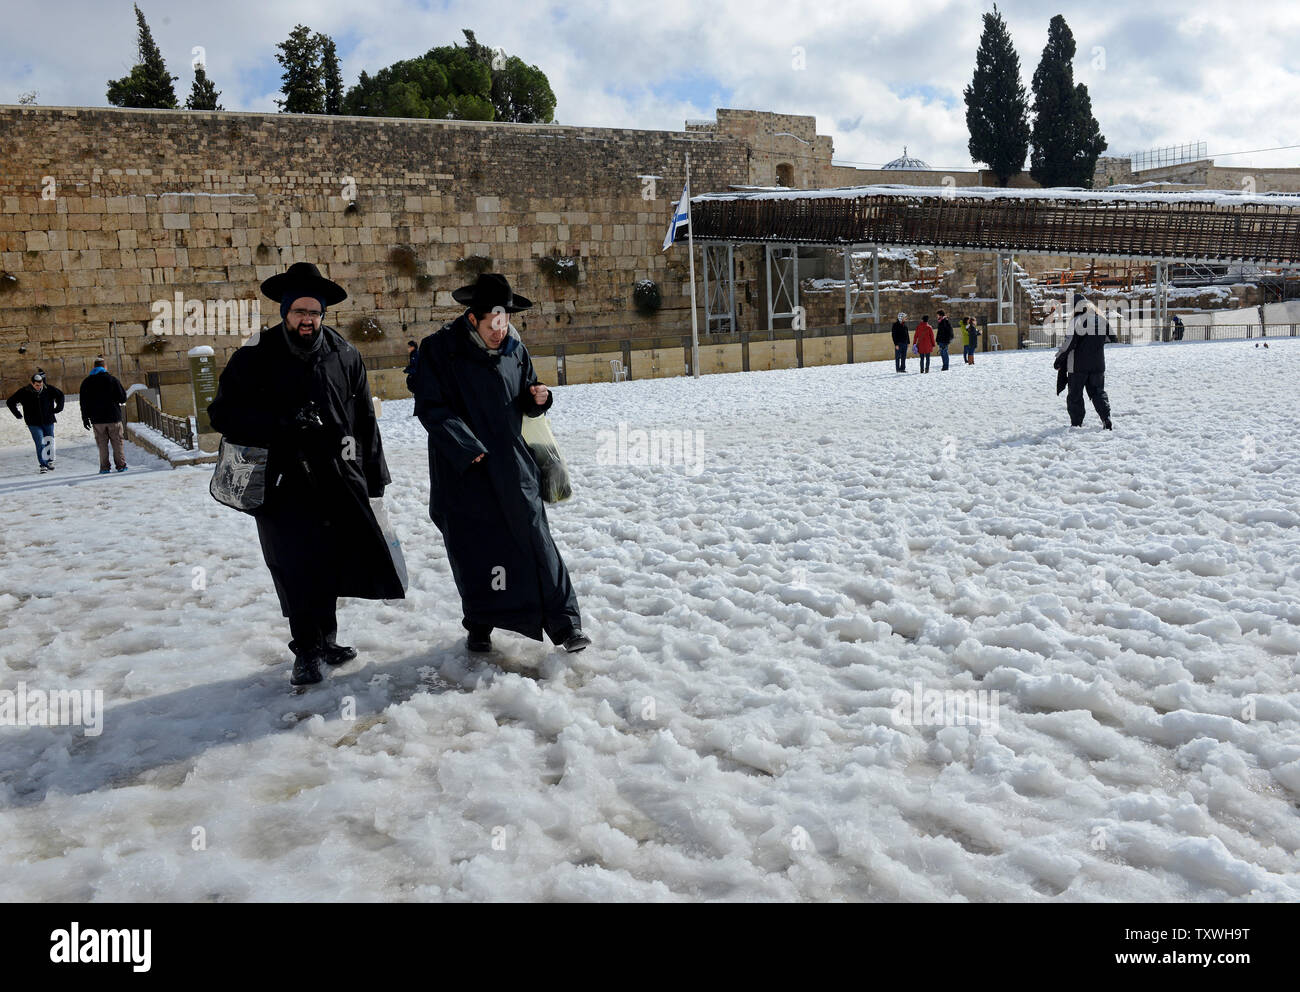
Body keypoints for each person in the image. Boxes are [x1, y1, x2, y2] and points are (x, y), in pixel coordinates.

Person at [208, 262, 405, 686]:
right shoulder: (254, 356)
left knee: (330, 562)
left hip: (336, 477)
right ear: (284, 312)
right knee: (295, 566)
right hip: (282, 484)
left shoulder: (345, 354)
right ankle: (306, 650)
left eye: (314, 313)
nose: (307, 319)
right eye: (299, 311)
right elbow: (221, 414)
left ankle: (327, 639)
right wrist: (281, 423)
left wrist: (374, 474)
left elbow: (364, 417)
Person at [408, 272, 589, 655]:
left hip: (513, 464)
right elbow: (430, 406)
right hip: (463, 471)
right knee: (476, 550)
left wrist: (538, 397)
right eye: (492, 324)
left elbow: (524, 391)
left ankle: (566, 625)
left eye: (505, 322)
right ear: (472, 318)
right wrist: (464, 444)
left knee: (537, 542)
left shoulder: (514, 348)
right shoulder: (439, 350)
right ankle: (479, 624)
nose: (500, 331)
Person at [1054, 294, 1115, 430]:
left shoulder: (1076, 320)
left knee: (1075, 395)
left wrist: (1059, 359)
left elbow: (1068, 343)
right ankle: (1106, 418)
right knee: (1098, 392)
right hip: (1098, 364)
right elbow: (1112, 338)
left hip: (1077, 366)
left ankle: (1076, 423)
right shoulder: (1101, 320)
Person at [78, 358, 129, 474]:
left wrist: (85, 418)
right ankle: (121, 465)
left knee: (102, 444)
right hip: (113, 417)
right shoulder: (112, 380)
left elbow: (83, 402)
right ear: (105, 367)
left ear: (94, 367)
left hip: (97, 419)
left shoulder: (86, 382)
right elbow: (123, 398)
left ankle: (105, 467)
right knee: (117, 443)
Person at [8, 370, 64, 473]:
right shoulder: (24, 391)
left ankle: (50, 461)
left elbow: (60, 396)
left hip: (48, 420)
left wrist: (58, 408)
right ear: (32, 383)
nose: (39, 387)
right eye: (37, 385)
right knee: (40, 442)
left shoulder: (48, 389)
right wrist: (17, 414)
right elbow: (10, 402)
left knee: (49, 441)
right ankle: (43, 465)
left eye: (41, 384)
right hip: (33, 423)